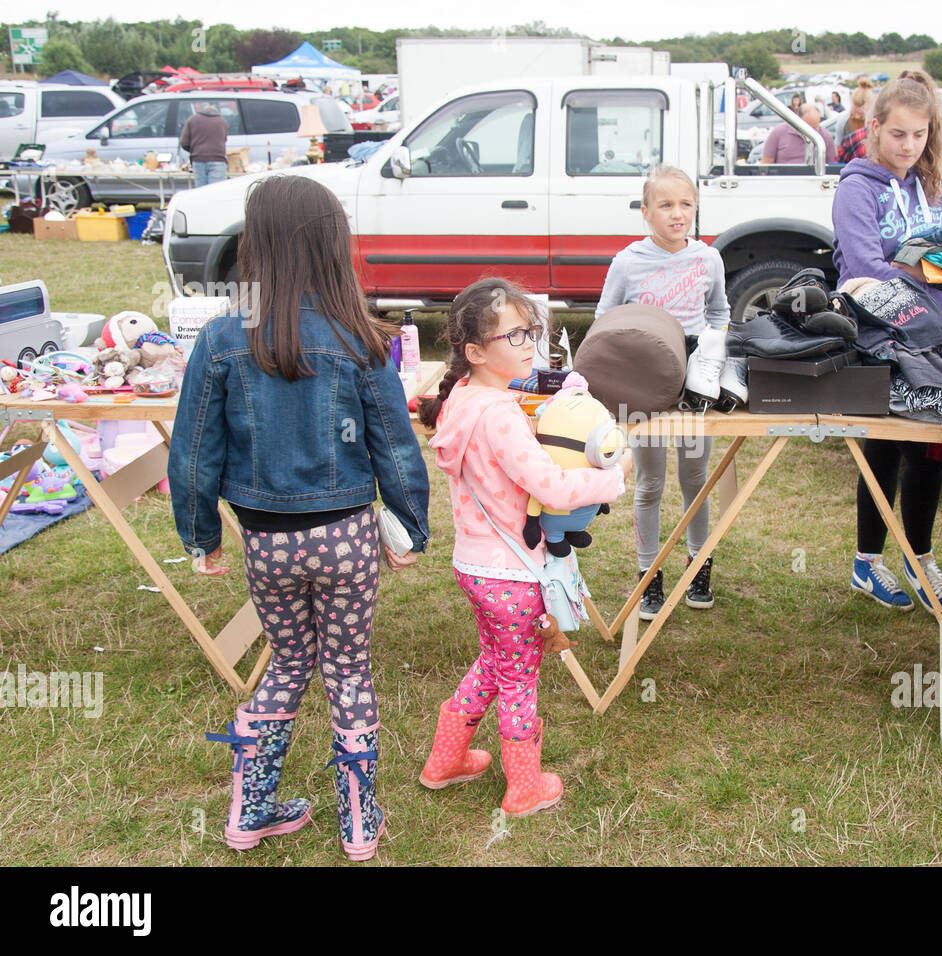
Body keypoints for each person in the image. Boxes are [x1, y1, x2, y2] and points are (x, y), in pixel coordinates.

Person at [171, 175, 431, 862]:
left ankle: (251, 810)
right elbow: (395, 446)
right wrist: (409, 526)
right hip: (345, 538)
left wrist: (200, 535)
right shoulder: (357, 338)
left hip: (266, 544)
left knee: (288, 661)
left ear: (255, 244)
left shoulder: (224, 338)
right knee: (347, 670)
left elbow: (194, 449)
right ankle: (359, 822)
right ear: (331, 242)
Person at [416, 279, 631, 816]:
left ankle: (446, 760)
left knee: (494, 663)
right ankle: (525, 786)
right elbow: (552, 488)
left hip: (476, 565)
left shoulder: (462, 401)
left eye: (531, 331)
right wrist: (615, 478)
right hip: (514, 571)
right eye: (514, 335)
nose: (529, 344)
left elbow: (502, 424)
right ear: (475, 351)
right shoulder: (502, 416)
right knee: (519, 680)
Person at [831, 70, 942, 616]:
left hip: (933, 338)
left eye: (919, 135)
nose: (909, 146)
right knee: (885, 445)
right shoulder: (855, 188)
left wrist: (927, 270)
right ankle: (868, 561)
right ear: (873, 128)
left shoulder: (931, 187)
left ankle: (919, 556)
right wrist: (925, 272)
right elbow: (867, 272)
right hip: (880, 341)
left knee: (932, 445)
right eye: (898, 134)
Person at [596, 165, 730, 620]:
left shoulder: (708, 259)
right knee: (650, 481)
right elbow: (604, 318)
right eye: (666, 204)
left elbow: (720, 312)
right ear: (646, 211)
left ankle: (699, 566)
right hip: (644, 382)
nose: (678, 214)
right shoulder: (628, 261)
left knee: (695, 478)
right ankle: (648, 575)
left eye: (686, 204)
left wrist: (713, 356)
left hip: (692, 384)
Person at [762, 103, 835, 165]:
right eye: (809, 127)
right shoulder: (778, 132)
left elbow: (831, 165)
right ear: (798, 120)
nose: (812, 131)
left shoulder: (825, 137)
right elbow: (766, 163)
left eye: (815, 127)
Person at [179, 101, 228, 188]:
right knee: (216, 190)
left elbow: (184, 143)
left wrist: (195, 150)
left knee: (200, 191)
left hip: (198, 159)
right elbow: (224, 140)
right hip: (218, 159)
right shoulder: (222, 121)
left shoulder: (192, 120)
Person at [837, 79, 874, 162]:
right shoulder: (843, 120)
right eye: (854, 113)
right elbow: (839, 151)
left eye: (861, 115)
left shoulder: (876, 123)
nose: (857, 117)